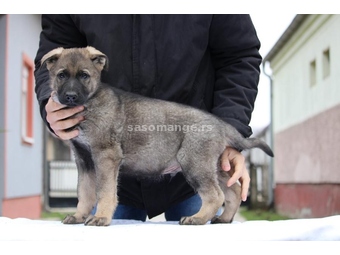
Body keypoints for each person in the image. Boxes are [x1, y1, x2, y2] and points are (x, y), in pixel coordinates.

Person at [34, 14, 261, 221]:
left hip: (187, 159)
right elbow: (55, 48)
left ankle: (216, 203)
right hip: (116, 180)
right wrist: (50, 102)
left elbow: (238, 56)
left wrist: (230, 127)